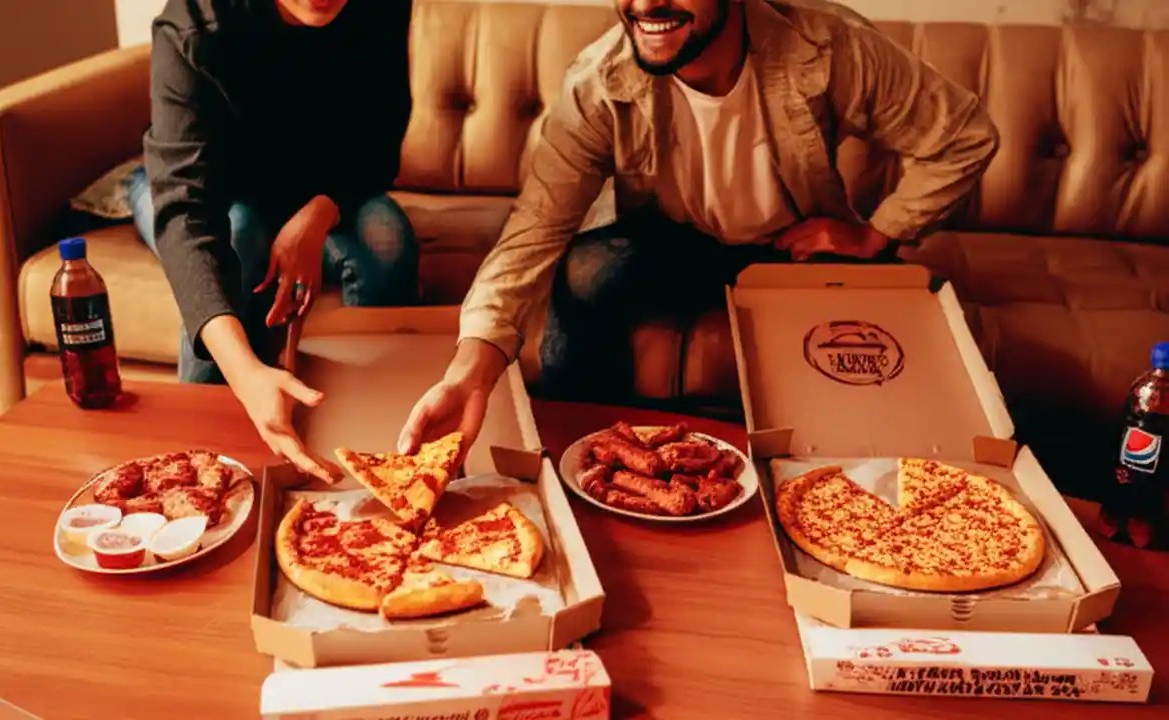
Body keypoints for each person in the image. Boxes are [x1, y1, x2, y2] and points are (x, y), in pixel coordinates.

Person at [397, 0, 999, 457]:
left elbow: (964, 138)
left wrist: (877, 233)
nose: (648, 1)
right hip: (670, 242)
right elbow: (532, 233)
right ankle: (586, 469)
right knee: (582, 269)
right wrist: (467, 373)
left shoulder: (828, 47)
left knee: (908, 357)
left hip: (790, 251)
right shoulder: (598, 83)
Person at [133, 0, 418, 474]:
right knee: (243, 233)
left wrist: (320, 214)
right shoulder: (194, 24)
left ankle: (384, 447)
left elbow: (381, 137)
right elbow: (187, 212)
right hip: (208, 183)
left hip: (316, 185)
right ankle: (203, 459)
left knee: (386, 238)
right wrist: (245, 375)